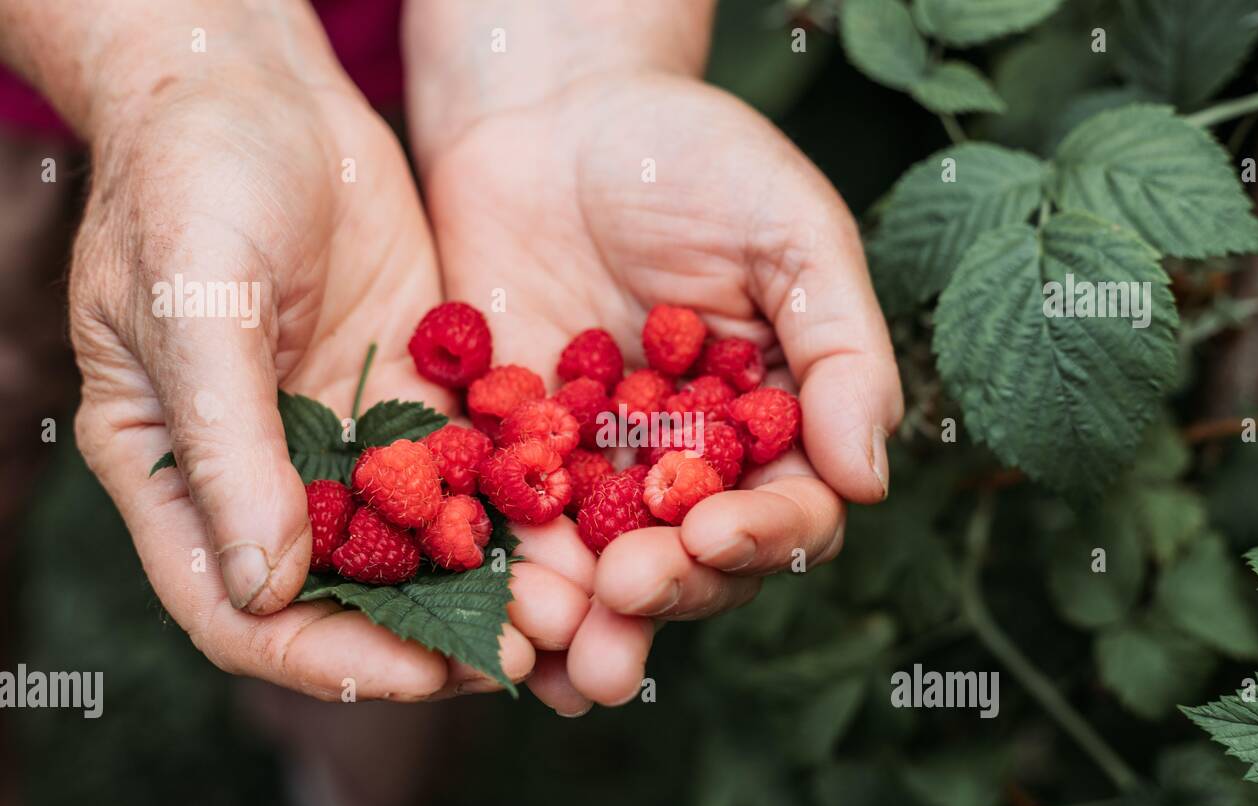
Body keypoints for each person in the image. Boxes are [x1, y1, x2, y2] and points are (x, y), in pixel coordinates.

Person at [0, 0, 901, 718]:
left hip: (467, 63)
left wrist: (583, 67)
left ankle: (353, 799)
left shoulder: (528, 441)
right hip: (73, 79)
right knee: (37, 378)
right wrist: (160, 63)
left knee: (347, 577)